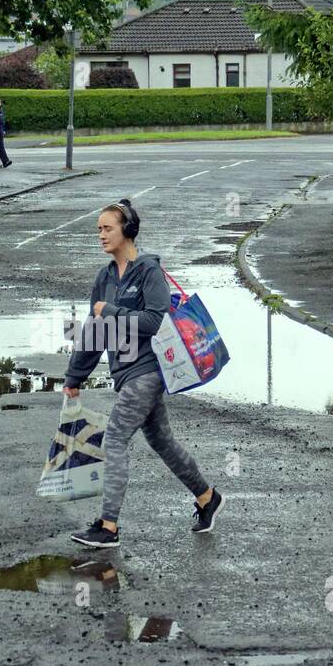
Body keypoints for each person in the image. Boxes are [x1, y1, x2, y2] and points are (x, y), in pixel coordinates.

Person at [63, 199, 224, 548]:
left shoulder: (148, 271)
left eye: (107, 228)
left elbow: (155, 320)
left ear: (128, 230)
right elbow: (95, 331)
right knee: (160, 439)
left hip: (149, 369)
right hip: (125, 372)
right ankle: (206, 497)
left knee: (115, 437)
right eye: (98, 230)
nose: (101, 235)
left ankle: (108, 527)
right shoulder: (104, 277)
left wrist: (112, 311)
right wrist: (75, 377)